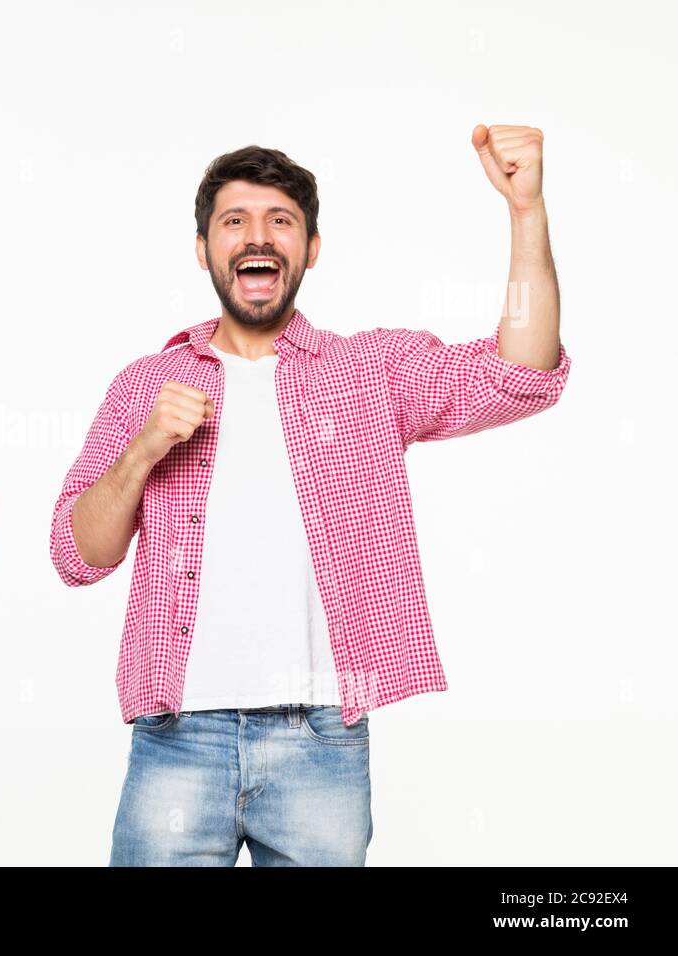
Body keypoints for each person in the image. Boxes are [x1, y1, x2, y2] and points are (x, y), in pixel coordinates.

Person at [49, 127, 569, 866]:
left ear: (311, 248)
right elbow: (76, 555)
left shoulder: (369, 373)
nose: (256, 236)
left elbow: (522, 373)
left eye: (280, 221)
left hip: (320, 742)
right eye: (234, 221)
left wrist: (525, 209)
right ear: (203, 249)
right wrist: (144, 451)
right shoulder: (145, 385)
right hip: (176, 739)